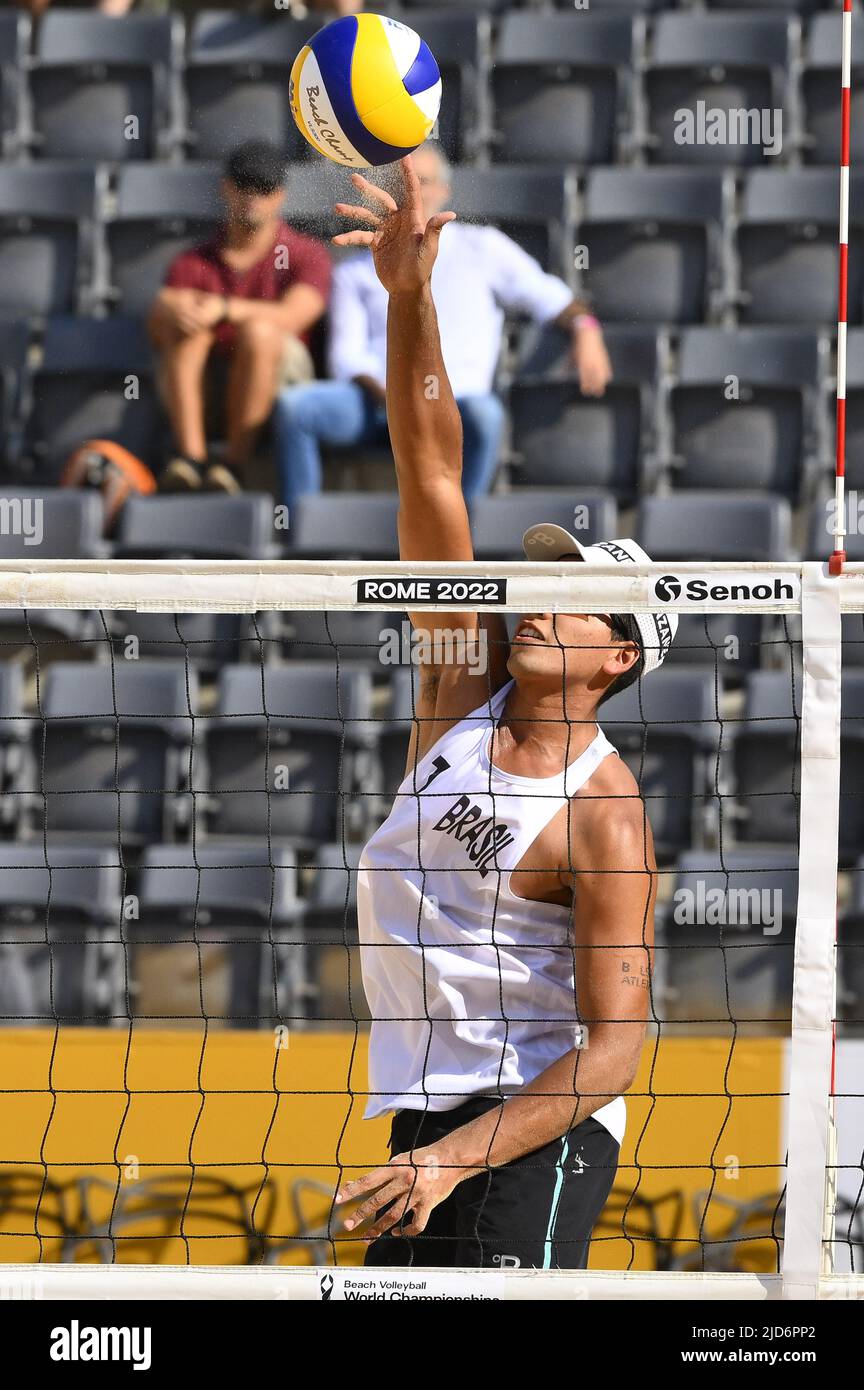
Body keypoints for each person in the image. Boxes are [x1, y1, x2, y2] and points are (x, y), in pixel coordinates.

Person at [330, 159, 676, 1271]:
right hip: (426, 1110)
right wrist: (408, 297)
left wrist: (458, 1158)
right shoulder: (456, 693)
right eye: (544, 581)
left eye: (576, 598)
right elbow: (430, 469)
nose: (540, 600)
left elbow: (614, 1049)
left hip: (536, 1129)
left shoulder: (603, 813)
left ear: (617, 656)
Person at [273, 141, 612, 509]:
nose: (412, 193)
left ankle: (461, 542)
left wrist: (586, 328)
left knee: (486, 416)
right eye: (403, 183)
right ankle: (299, 534)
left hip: (457, 404)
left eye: (422, 181)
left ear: (443, 191)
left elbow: (552, 298)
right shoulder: (356, 269)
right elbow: (347, 358)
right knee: (296, 409)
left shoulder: (484, 248)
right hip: (378, 405)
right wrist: (396, 399)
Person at [148, 140, 331, 493]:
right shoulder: (194, 261)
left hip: (281, 389)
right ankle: (191, 460)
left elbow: (294, 317)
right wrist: (166, 308)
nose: (253, 198)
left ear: (279, 195)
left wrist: (225, 309)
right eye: (245, 185)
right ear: (226, 188)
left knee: (260, 333)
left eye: (264, 188)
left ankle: (234, 465)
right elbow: (157, 332)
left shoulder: (305, 254)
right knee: (186, 329)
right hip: (212, 389)